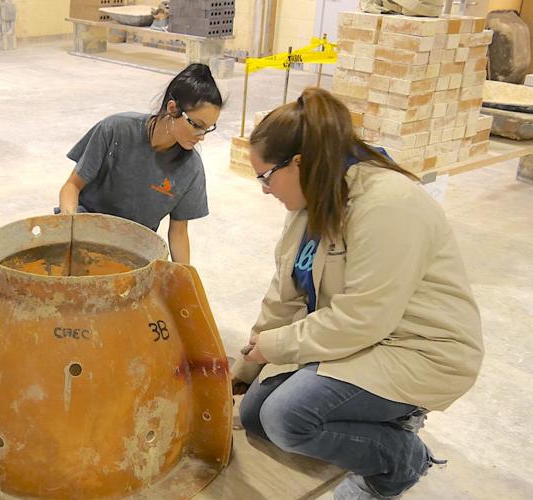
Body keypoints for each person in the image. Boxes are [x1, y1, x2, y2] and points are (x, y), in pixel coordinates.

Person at [234, 87, 484, 499]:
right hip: (358, 338)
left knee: (286, 418)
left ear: (298, 163)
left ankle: (402, 458)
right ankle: (371, 420)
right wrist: (244, 369)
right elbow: (284, 295)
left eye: (265, 177)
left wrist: (275, 347)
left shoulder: (388, 204)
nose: (264, 189)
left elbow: (363, 318)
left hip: (417, 349)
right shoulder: (310, 203)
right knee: (255, 416)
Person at [57, 63, 221, 265]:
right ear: (172, 109)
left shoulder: (191, 168)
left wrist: (185, 275)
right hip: (85, 237)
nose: (202, 136)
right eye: (197, 125)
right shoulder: (116, 130)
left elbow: (178, 232)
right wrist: (70, 226)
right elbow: (72, 186)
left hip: (133, 252)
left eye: (208, 129)